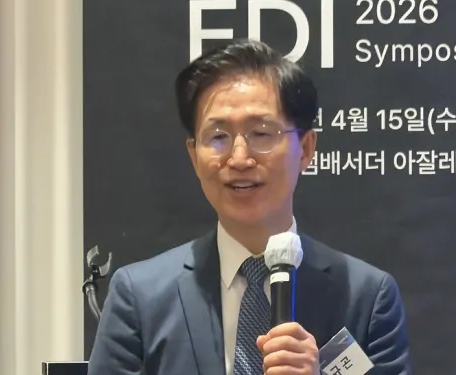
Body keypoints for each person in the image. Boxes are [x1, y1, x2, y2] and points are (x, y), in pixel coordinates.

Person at [87, 39, 412, 375]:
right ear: (194, 156)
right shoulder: (139, 297)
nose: (239, 158)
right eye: (218, 137)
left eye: (261, 133)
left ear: (305, 149)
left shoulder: (366, 298)